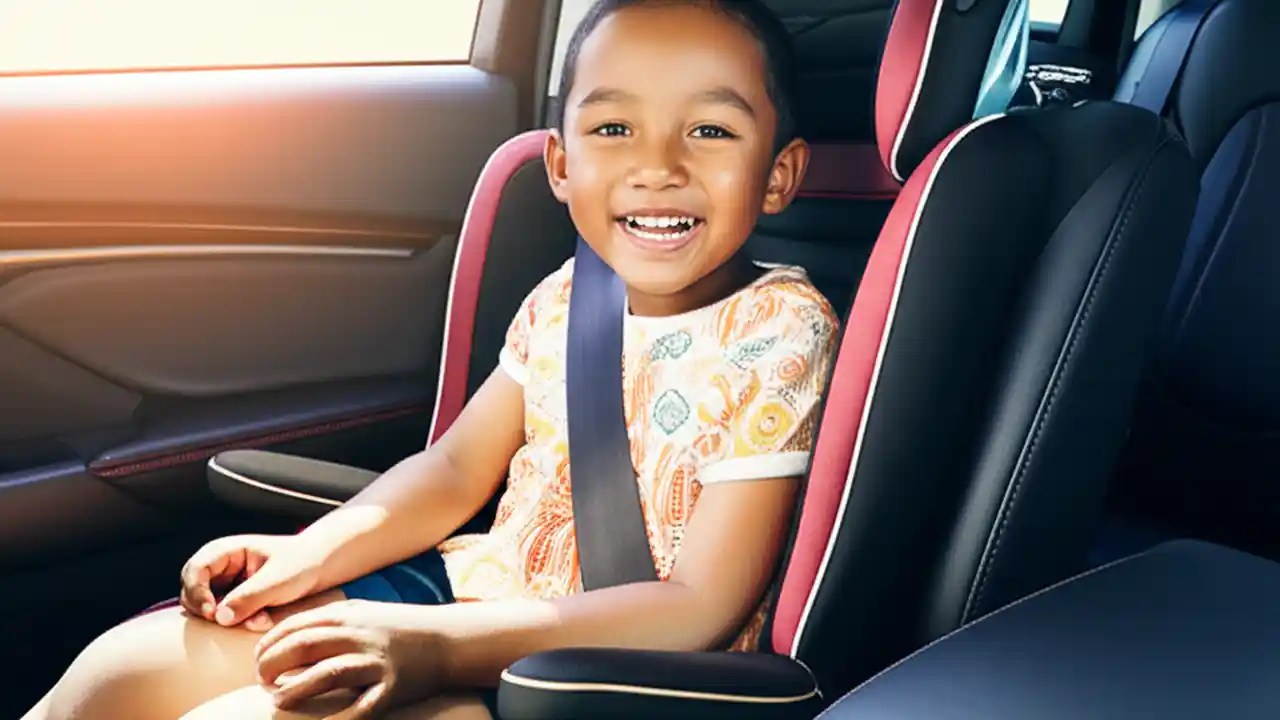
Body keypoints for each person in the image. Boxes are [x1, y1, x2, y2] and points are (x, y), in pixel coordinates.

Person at [24, 1, 839, 717]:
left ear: (779, 175)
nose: (658, 166)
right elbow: (454, 470)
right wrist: (312, 553)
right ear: (562, 165)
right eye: (613, 128)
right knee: (114, 674)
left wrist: (436, 649)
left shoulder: (783, 331)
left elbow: (699, 606)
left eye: (711, 130)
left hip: (599, 677)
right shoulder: (567, 296)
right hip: (464, 594)